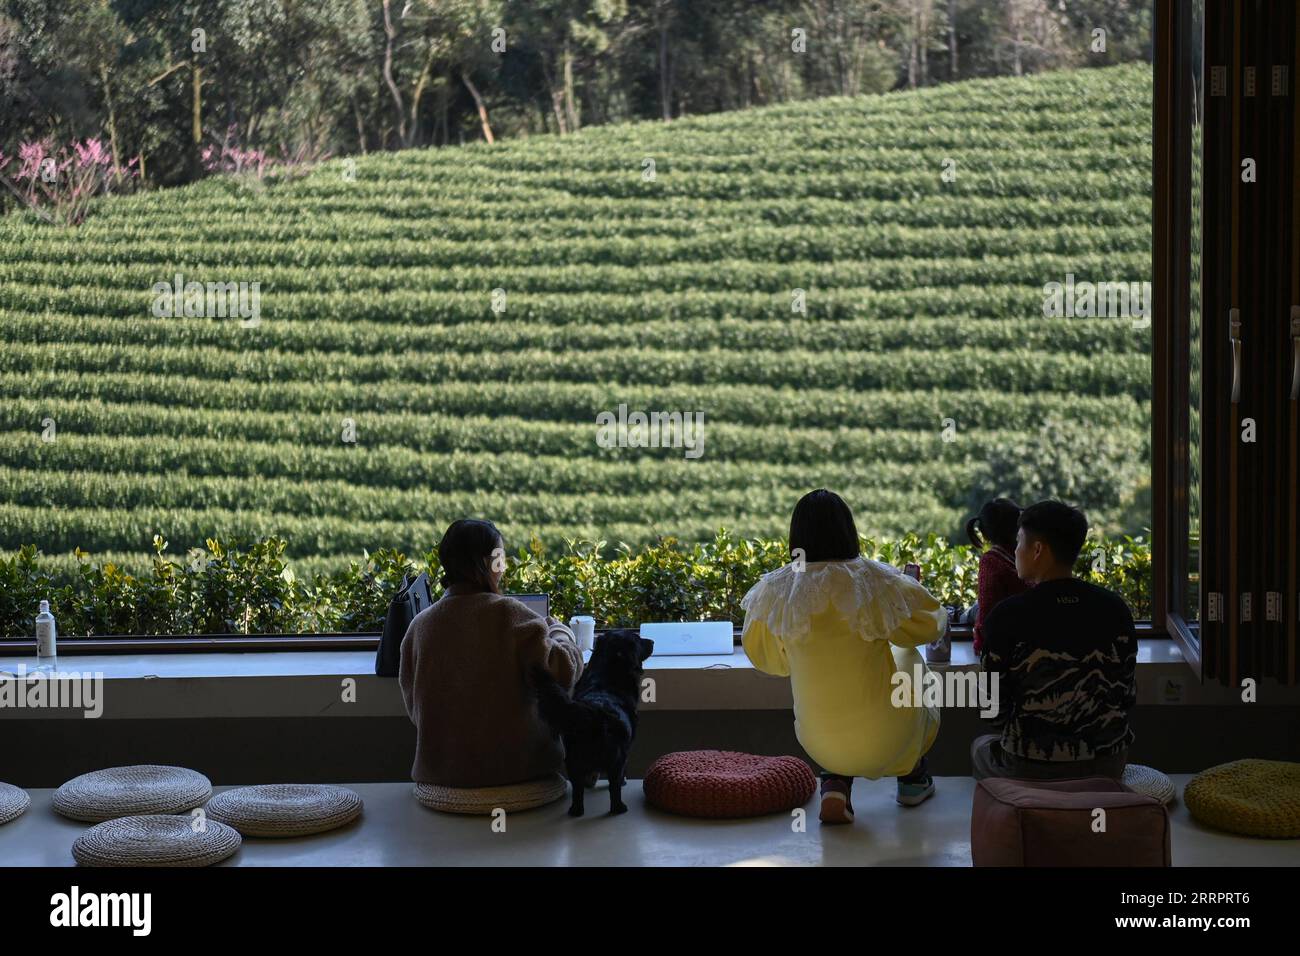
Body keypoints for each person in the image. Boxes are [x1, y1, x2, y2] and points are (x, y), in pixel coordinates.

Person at [741, 490, 949, 824]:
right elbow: (931, 625)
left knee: (827, 687)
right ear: (848, 530)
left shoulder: (775, 590)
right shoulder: (876, 580)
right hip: (889, 738)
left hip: (817, 741)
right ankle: (913, 778)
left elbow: (770, 662)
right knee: (906, 654)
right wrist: (898, 602)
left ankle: (834, 781)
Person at [398, 518, 583, 787]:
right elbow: (562, 674)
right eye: (500, 558)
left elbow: (417, 709)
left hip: (442, 777)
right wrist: (560, 632)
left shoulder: (419, 627)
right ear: (485, 564)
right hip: (521, 773)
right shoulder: (512, 615)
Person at [972, 500, 1137, 781]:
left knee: (980, 748)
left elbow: (992, 712)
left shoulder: (1006, 616)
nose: (1014, 550)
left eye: (1019, 541)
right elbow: (1127, 697)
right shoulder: (1116, 609)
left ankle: (1021, 811)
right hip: (1108, 763)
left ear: (1037, 550)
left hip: (1030, 765)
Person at [966, 498, 1030, 657]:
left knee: (973, 610)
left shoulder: (991, 560)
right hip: (1027, 640)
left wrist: (979, 645)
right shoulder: (1029, 554)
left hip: (1003, 648)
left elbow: (986, 614)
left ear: (984, 533)